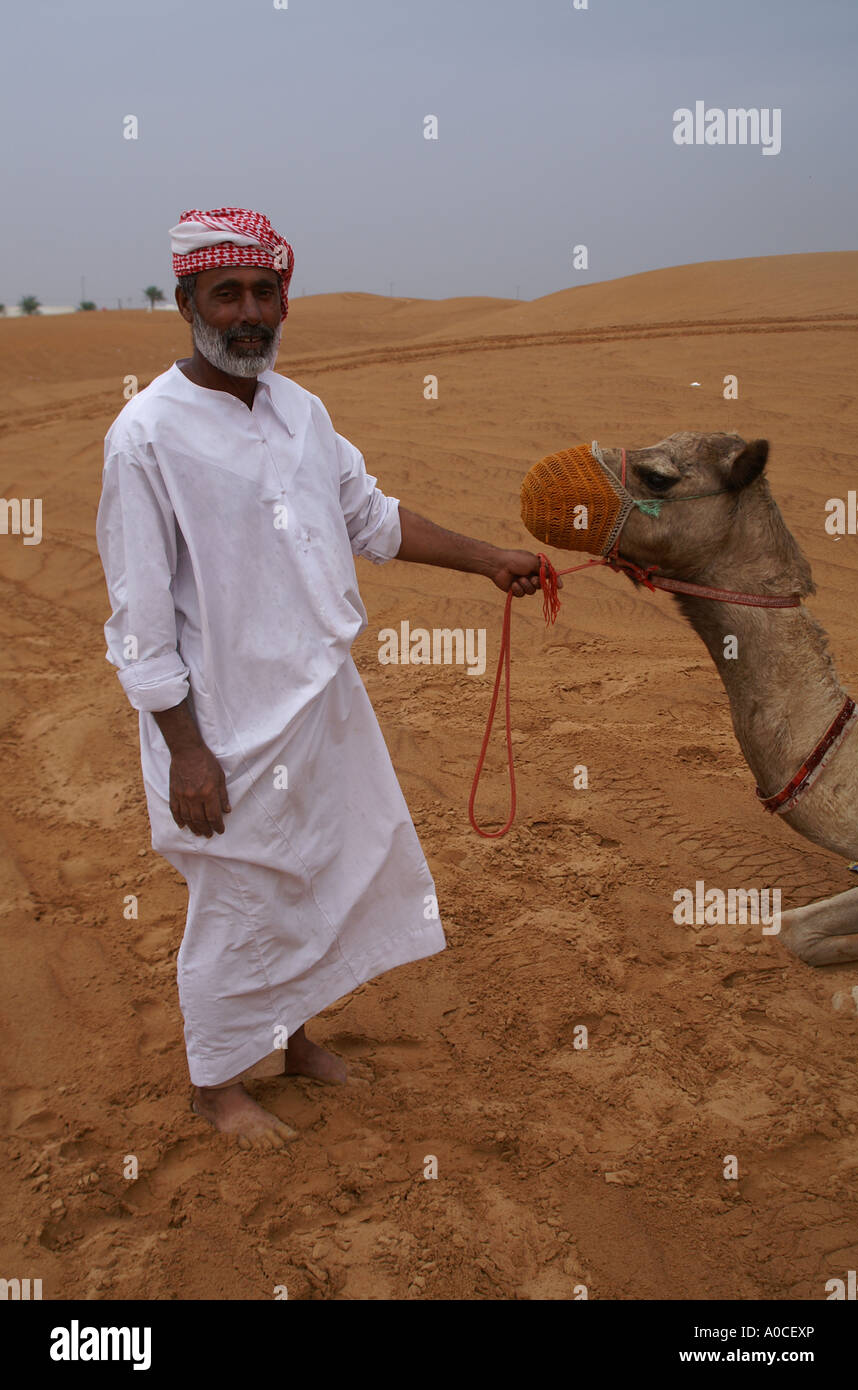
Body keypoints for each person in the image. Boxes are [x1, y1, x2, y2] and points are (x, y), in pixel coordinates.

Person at [96, 206, 547, 1148]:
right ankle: (217, 1083)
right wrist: (187, 752)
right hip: (220, 726)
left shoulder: (302, 413)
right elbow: (139, 622)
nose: (250, 310)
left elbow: (373, 520)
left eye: (266, 291)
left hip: (321, 704)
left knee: (319, 877)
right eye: (229, 292)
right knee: (237, 902)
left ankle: (297, 1041)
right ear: (187, 301)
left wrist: (490, 557)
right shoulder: (146, 436)